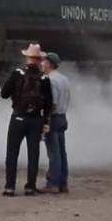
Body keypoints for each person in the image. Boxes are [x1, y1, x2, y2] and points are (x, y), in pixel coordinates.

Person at [0, 43, 53, 196]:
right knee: (33, 153)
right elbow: (48, 104)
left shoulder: (18, 73)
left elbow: (4, 93)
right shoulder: (44, 78)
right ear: (39, 59)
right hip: (36, 119)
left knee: (12, 153)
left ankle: (10, 186)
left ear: (27, 58)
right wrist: (46, 122)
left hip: (18, 117)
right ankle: (30, 186)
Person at [40, 52, 72, 194]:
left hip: (53, 118)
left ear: (49, 64)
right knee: (61, 151)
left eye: (43, 61)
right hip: (63, 117)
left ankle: (52, 183)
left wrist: (45, 120)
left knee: (53, 153)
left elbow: (52, 103)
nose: (42, 63)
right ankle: (63, 183)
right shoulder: (64, 79)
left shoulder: (51, 80)